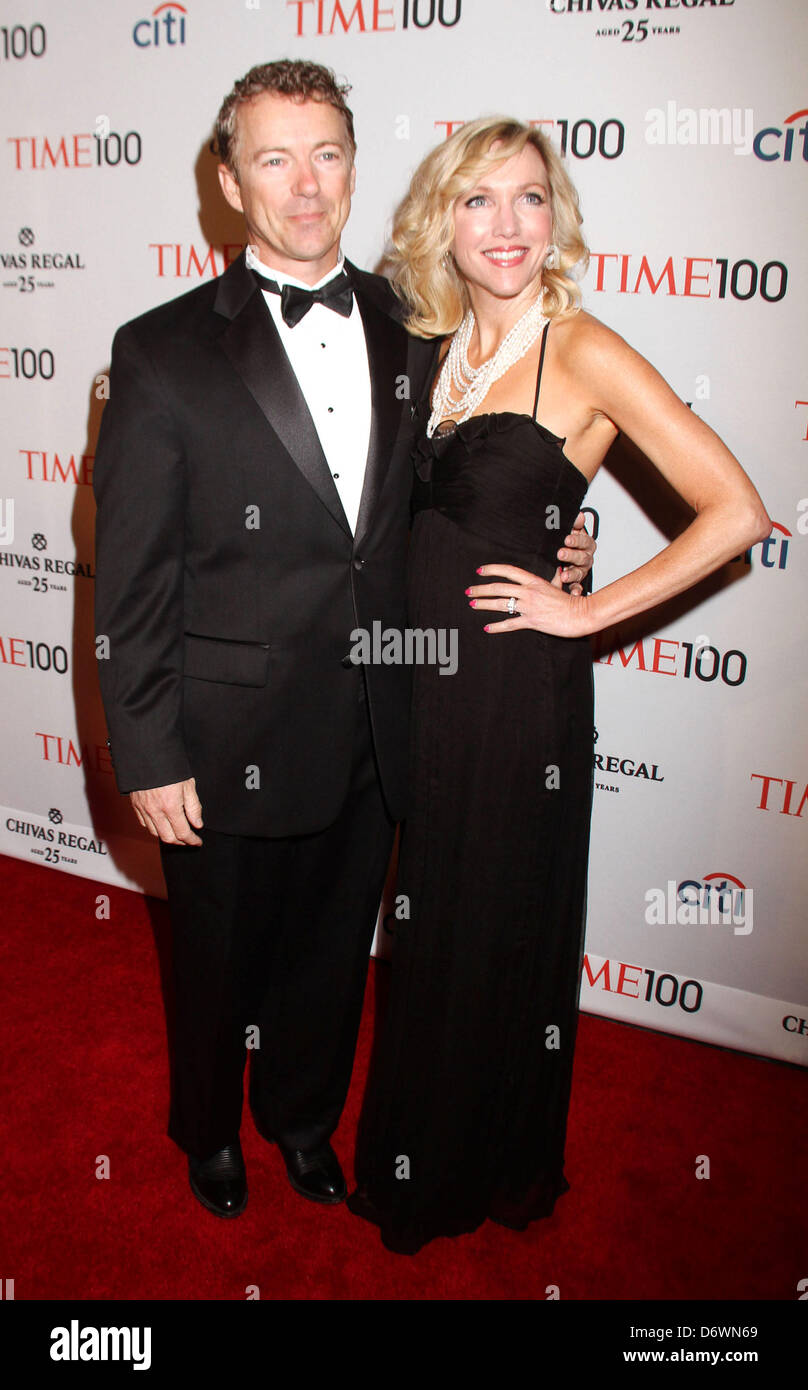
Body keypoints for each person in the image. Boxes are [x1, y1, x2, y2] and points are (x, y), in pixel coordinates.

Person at [92, 66, 596, 1220]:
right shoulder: (160, 350)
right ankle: (212, 1130)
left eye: (325, 153)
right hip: (222, 731)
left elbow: (470, 486)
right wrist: (149, 749)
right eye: (273, 158)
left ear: (355, 165)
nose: (305, 184)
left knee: (331, 949)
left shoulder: (413, 326)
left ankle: (302, 1119)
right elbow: (130, 580)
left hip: (381, 717)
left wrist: (566, 540)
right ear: (228, 182)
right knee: (217, 954)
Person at [347, 117, 771, 1254]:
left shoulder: (578, 347)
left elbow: (736, 510)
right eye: (478, 200)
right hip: (424, 683)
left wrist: (584, 603)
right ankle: (424, 1143)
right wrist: (557, 527)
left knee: (491, 924)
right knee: (430, 922)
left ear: (556, 217)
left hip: (512, 695)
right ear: (444, 217)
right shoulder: (428, 346)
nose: (505, 224)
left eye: (529, 198)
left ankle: (461, 1167)